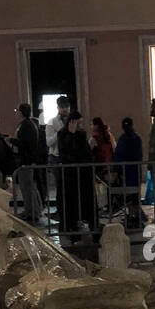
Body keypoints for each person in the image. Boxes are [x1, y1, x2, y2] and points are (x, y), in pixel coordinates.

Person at [57, 110, 96, 241]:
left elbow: (84, 152)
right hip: (70, 176)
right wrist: (71, 135)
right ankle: (72, 229)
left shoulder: (82, 134)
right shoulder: (62, 134)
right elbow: (66, 152)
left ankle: (92, 227)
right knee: (71, 204)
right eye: (78, 122)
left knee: (87, 202)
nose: (80, 125)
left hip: (84, 175)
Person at [113, 116, 144, 228]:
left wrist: (116, 170)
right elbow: (139, 155)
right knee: (135, 195)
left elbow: (118, 155)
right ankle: (136, 217)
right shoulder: (137, 138)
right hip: (135, 171)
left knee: (129, 196)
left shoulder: (123, 139)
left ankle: (133, 217)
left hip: (126, 172)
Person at [14, 102, 42, 222]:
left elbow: (25, 144)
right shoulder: (28, 124)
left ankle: (32, 212)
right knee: (30, 186)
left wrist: (12, 141)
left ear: (21, 112)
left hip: (26, 160)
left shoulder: (26, 125)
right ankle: (33, 210)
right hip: (27, 160)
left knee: (27, 187)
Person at [46, 95, 71, 210]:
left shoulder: (73, 121)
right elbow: (49, 142)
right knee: (60, 186)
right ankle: (61, 211)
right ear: (58, 108)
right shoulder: (52, 122)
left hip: (70, 157)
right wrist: (60, 132)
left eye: (66, 107)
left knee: (70, 186)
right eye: (62, 107)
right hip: (56, 157)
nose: (65, 109)